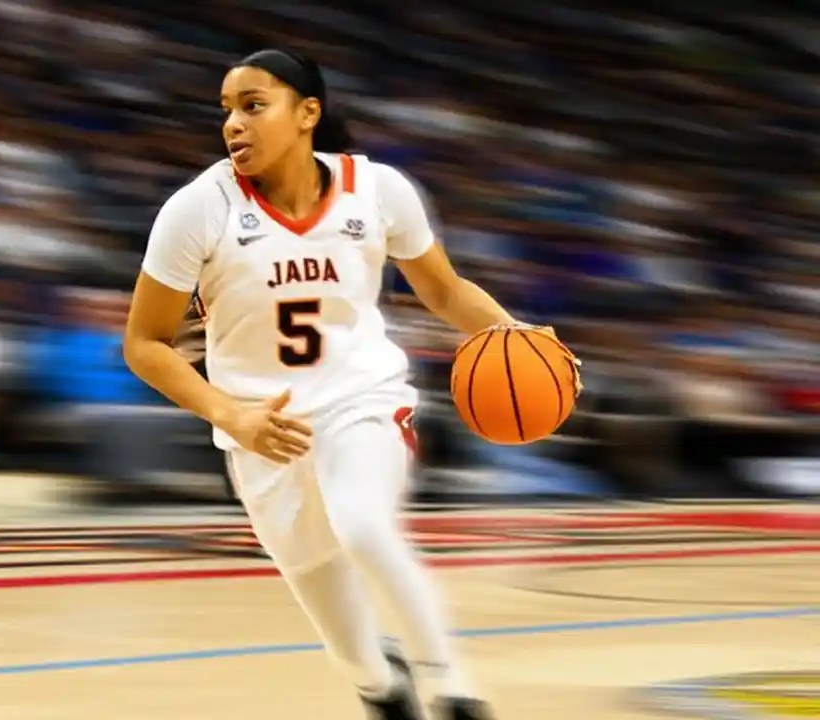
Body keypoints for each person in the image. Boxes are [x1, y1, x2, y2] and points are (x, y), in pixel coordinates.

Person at [123, 49, 579, 720]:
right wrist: (231, 414)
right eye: (226, 110)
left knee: (364, 525)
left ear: (308, 113)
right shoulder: (197, 210)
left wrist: (521, 337)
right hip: (263, 432)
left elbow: (445, 290)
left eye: (253, 105)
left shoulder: (379, 191)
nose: (233, 125)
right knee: (351, 652)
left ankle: (453, 688)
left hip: (360, 397)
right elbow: (144, 343)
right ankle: (381, 682)